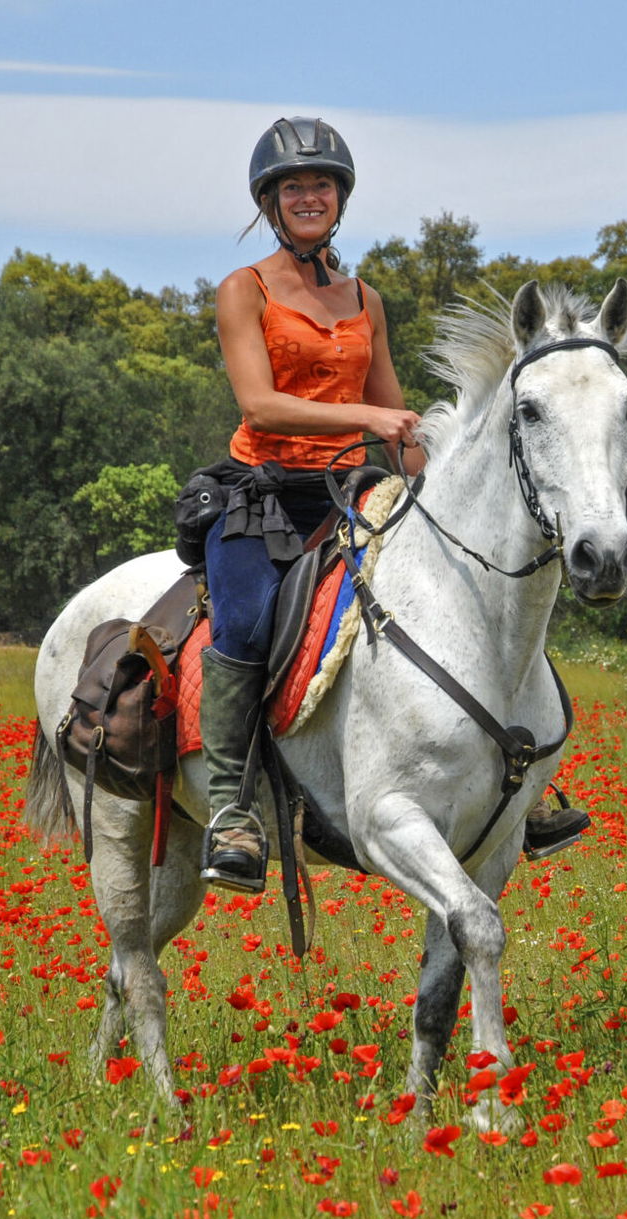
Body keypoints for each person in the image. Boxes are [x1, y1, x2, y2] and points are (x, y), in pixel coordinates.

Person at [197, 116, 584, 894]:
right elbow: (260, 404)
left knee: (475, 594)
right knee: (242, 623)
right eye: (294, 187)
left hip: (354, 491)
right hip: (264, 501)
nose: (310, 197)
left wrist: (444, 471)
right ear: (269, 203)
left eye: (323, 185)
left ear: (340, 199)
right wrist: (368, 422)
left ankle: (521, 784)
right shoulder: (245, 291)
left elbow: (398, 418)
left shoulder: (364, 299)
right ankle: (228, 810)